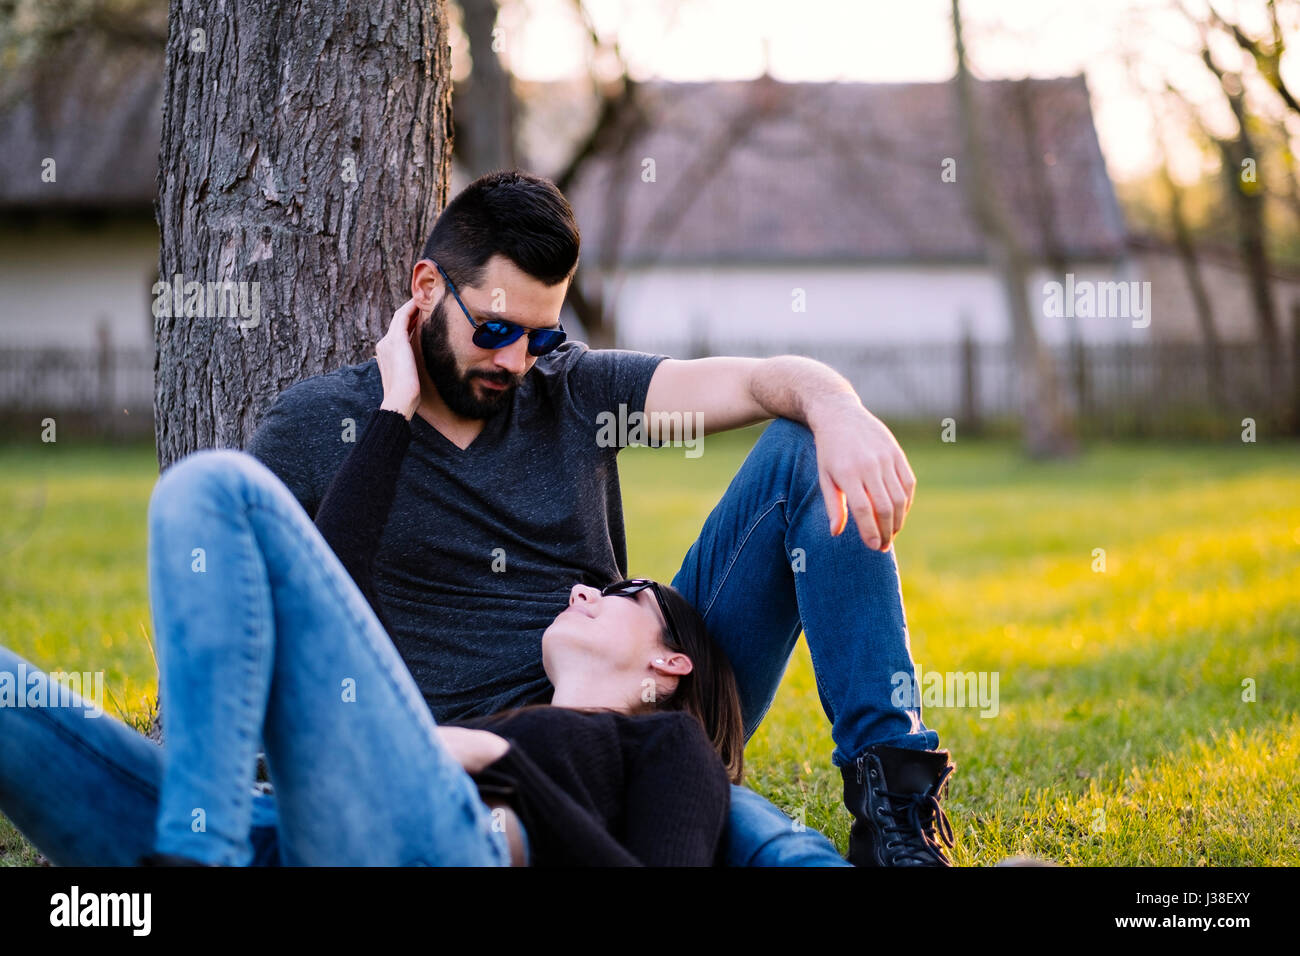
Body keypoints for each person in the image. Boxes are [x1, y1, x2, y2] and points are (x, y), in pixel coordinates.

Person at [246, 168, 957, 867]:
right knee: (739, 832)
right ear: (428, 288)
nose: (516, 360)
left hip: (638, 708)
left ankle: (894, 812)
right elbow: (273, 619)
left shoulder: (575, 389)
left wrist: (836, 407)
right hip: (477, 761)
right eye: (494, 328)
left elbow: (754, 380)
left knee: (801, 447)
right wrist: (391, 416)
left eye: (540, 336)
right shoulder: (317, 428)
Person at [0, 331, 743, 864]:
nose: (586, 586)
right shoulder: (498, 721)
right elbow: (329, 596)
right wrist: (395, 410)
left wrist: (495, 764)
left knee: (216, 486)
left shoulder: (669, 746)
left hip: (439, 840)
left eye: (623, 593)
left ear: (671, 664)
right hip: (279, 830)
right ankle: (204, 843)